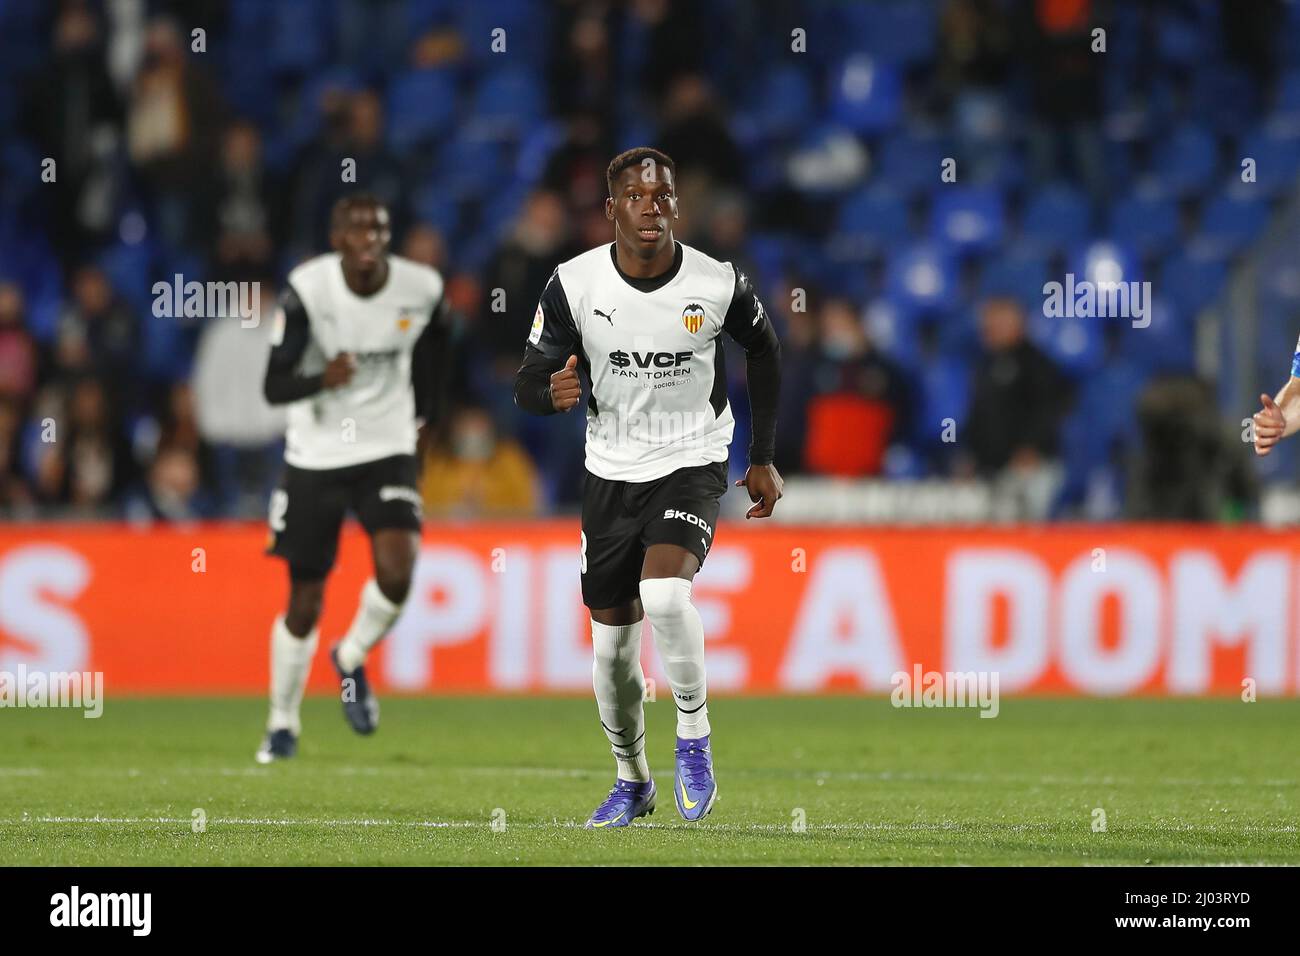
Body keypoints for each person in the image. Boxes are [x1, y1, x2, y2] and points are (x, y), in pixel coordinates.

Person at [513, 147, 783, 827]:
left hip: (693, 457)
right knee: (611, 655)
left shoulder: (716, 281)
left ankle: (693, 738)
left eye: (663, 196)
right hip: (610, 471)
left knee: (665, 593)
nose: (651, 208)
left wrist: (763, 455)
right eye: (636, 196)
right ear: (611, 210)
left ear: (677, 207)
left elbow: (766, 349)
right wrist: (550, 393)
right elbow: (527, 381)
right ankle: (632, 781)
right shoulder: (573, 285)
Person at [255, 195, 450, 763]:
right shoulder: (308, 291)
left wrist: (428, 420)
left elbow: (441, 341)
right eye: (357, 231)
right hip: (316, 453)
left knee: (398, 568)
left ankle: (350, 654)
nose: (368, 240)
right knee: (305, 600)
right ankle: (281, 723)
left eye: (379, 230)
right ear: (336, 238)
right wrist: (321, 376)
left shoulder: (421, 288)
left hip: (386, 446)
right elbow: (273, 386)